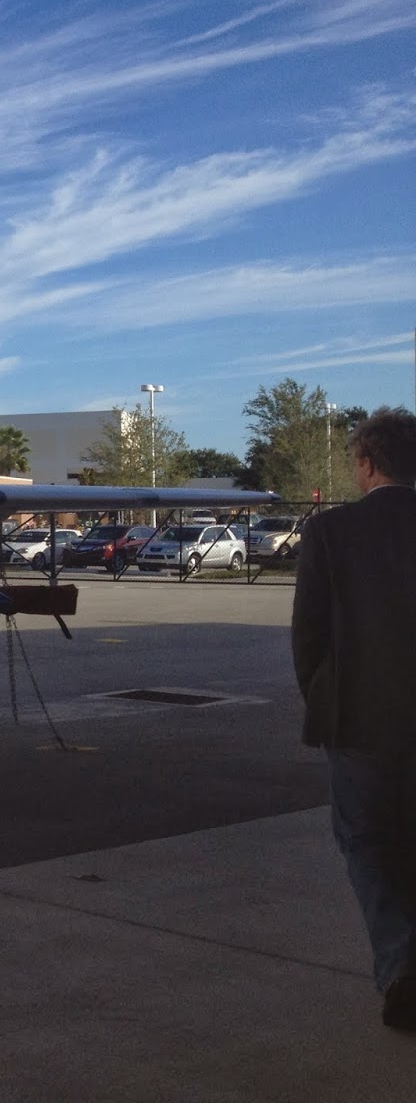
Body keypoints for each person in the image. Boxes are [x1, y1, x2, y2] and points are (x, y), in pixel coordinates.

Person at [291, 406, 416, 1029]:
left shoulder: (330, 532)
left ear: (367, 464)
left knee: (367, 842)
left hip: (360, 718)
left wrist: (320, 693)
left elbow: (309, 634)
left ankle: (402, 964)